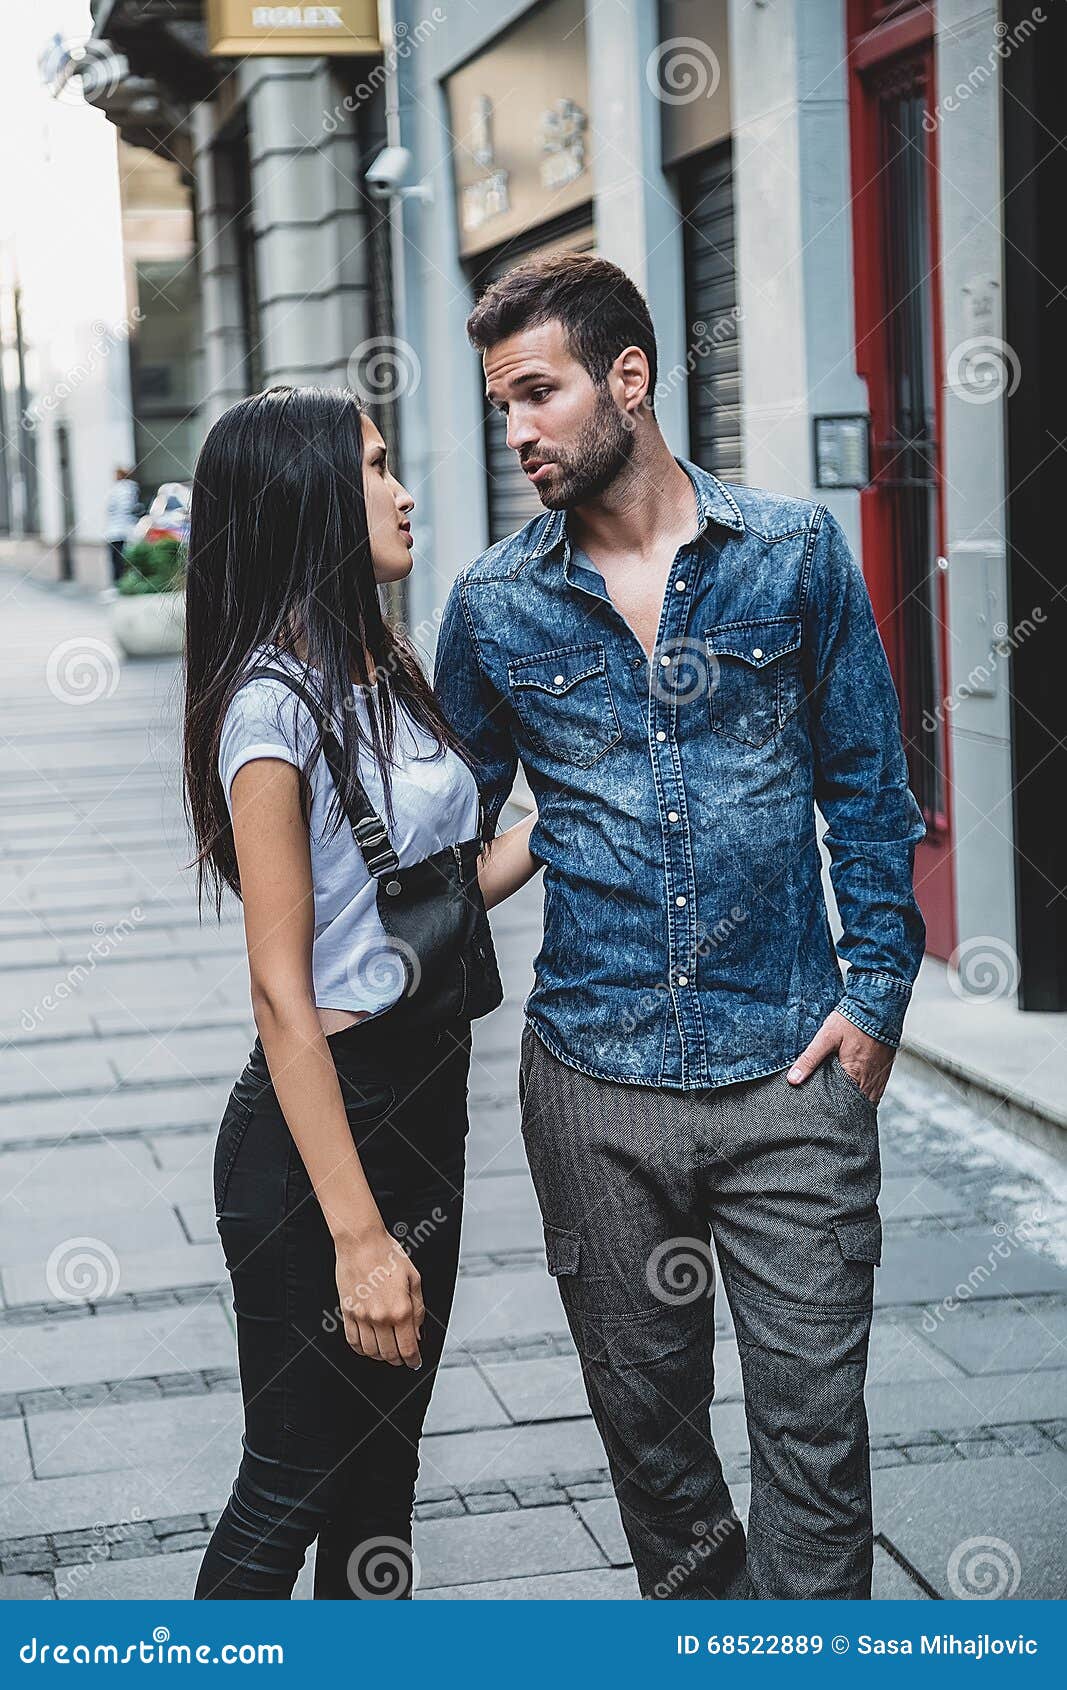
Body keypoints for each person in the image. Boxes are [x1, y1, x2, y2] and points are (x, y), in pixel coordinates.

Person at [433, 254, 927, 1601]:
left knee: (815, 1447)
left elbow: (868, 791)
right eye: (501, 406)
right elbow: (450, 842)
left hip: (791, 1076)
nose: (517, 430)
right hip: (593, 1089)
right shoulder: (491, 604)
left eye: (537, 393)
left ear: (629, 379)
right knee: (658, 1466)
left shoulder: (790, 554)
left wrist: (872, 1001)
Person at [182, 386, 540, 1599]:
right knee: (288, 1485)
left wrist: (555, 821)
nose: (400, 490)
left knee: (381, 1477)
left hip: (422, 1107)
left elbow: (417, 907)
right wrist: (357, 1236)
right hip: (314, 1144)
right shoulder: (268, 711)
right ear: (307, 502)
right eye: (374, 469)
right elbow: (283, 997)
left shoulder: (377, 664)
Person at [104, 466, 140, 582]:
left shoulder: (123, 489)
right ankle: (122, 582)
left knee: (118, 560)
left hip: (120, 530)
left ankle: (121, 583)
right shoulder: (128, 489)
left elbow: (122, 509)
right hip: (120, 530)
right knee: (119, 559)